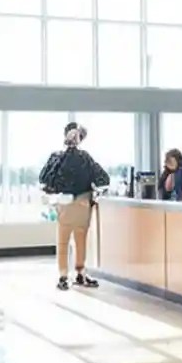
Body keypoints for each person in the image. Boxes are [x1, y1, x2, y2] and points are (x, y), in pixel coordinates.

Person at [39, 122, 110, 290]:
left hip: (64, 203)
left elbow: (44, 178)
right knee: (81, 241)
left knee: (63, 242)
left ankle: (63, 275)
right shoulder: (85, 158)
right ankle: (80, 272)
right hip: (83, 203)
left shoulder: (57, 157)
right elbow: (103, 178)